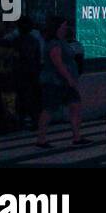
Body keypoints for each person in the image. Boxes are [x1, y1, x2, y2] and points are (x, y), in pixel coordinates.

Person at [36, 16, 87, 148]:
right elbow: (58, 63)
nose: (66, 28)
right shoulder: (54, 44)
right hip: (55, 81)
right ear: (58, 28)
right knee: (49, 109)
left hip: (65, 82)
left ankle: (77, 136)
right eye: (64, 26)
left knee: (75, 105)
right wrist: (70, 78)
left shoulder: (61, 41)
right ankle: (41, 139)